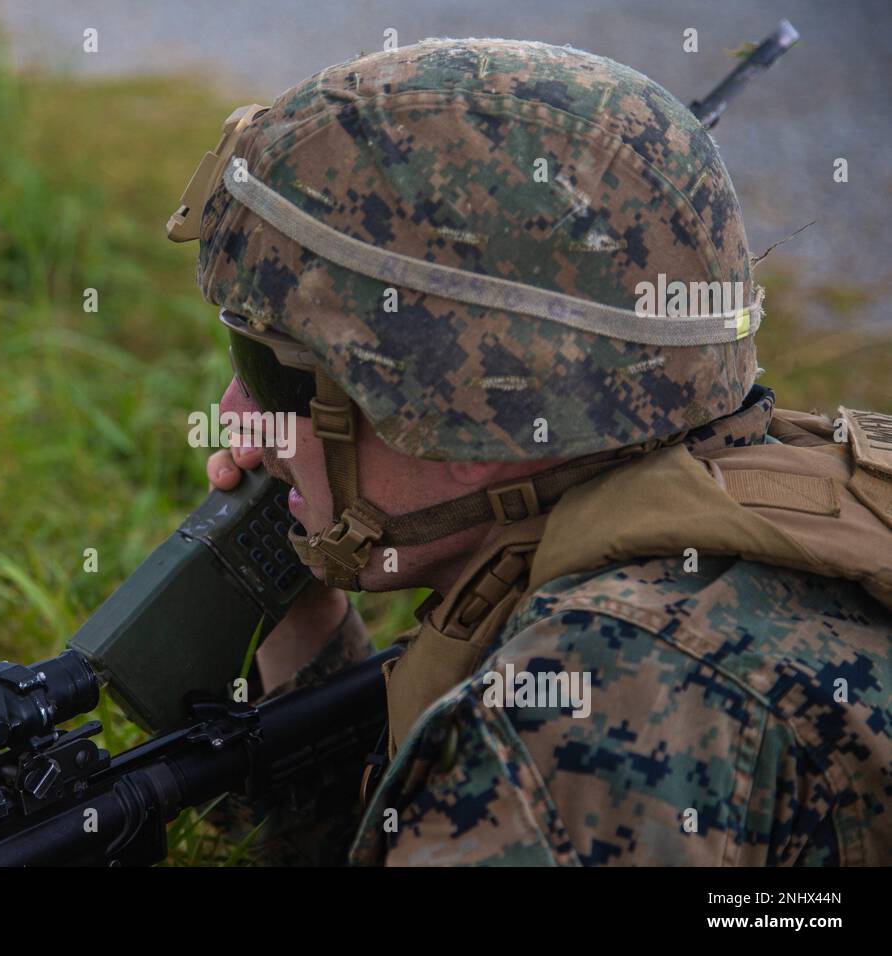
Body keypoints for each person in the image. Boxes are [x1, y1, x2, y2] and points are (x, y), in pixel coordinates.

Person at [173, 38, 892, 865]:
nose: (239, 416)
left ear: (474, 411)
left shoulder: (601, 700)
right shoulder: (758, 499)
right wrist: (300, 615)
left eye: (271, 372)